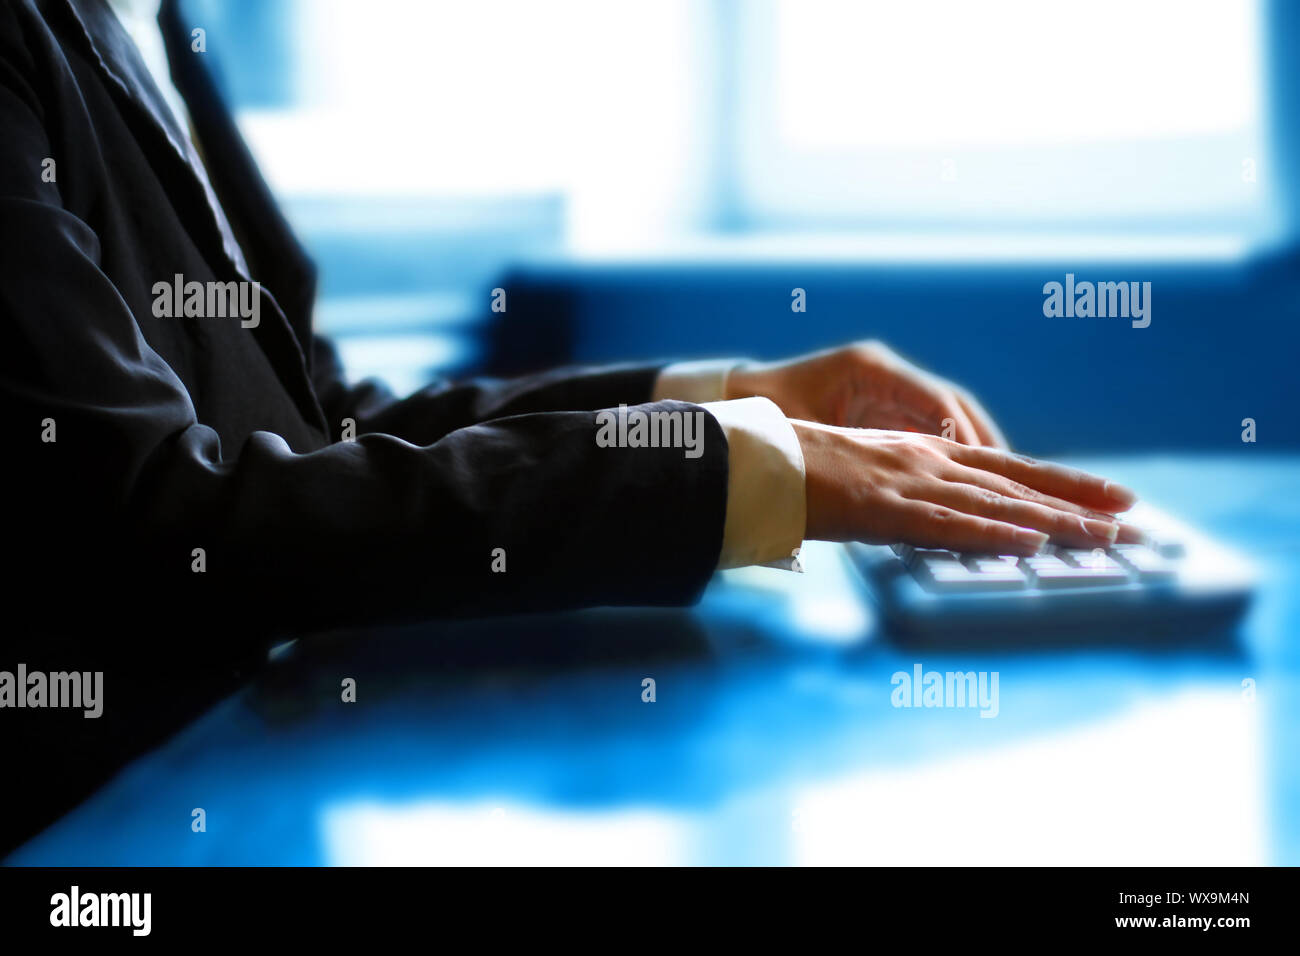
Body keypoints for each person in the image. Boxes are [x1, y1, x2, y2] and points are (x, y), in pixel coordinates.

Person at [0, 0, 1134, 853]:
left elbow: (329, 430)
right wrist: (736, 473)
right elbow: (162, 519)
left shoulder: (157, 26)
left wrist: (734, 400)